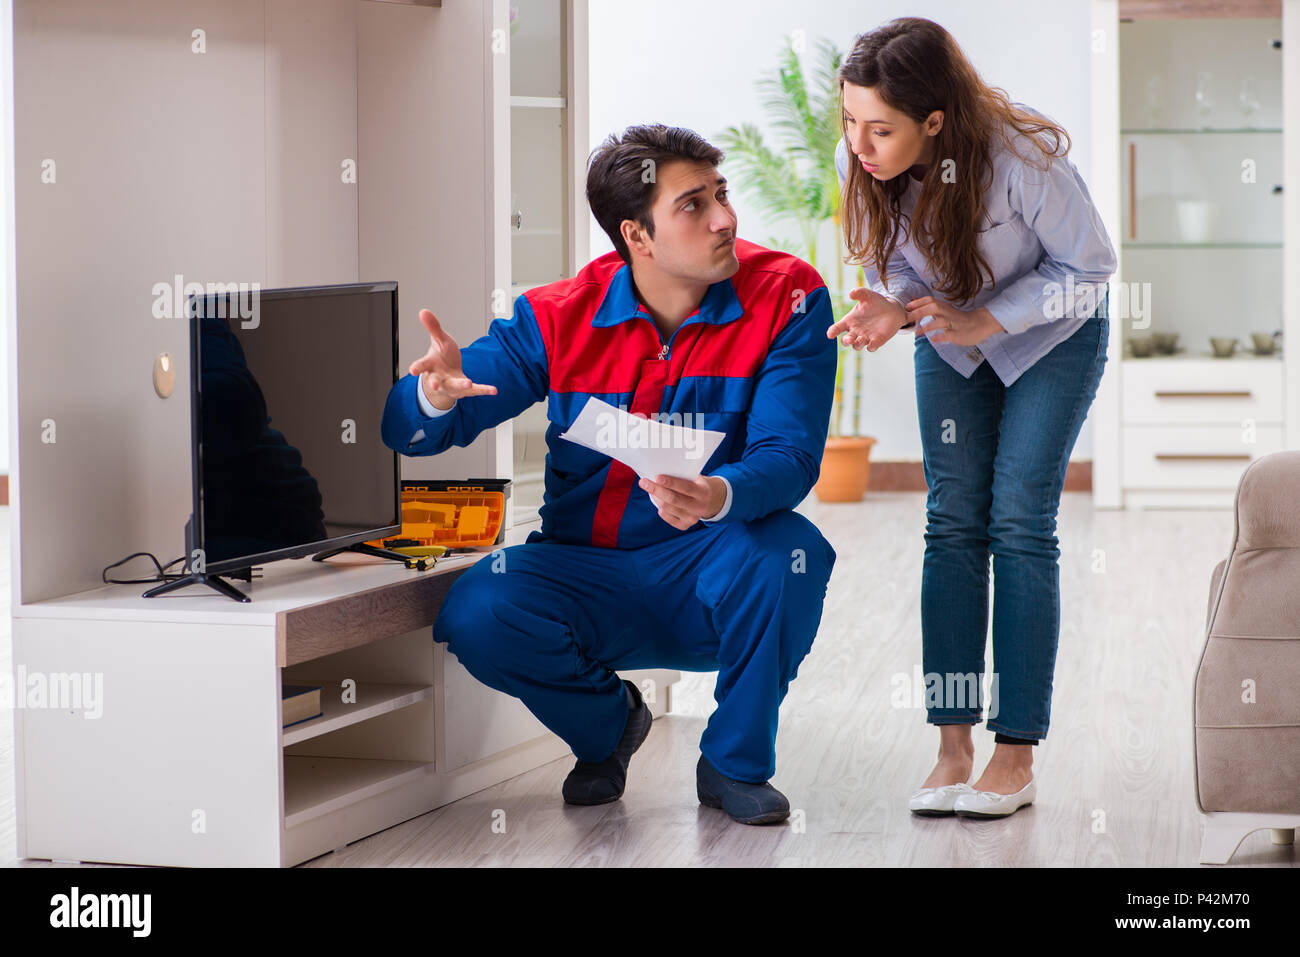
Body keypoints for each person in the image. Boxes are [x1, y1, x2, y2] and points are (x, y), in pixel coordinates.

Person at [381, 124, 838, 825]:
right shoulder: (556, 316)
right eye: (694, 204)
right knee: (477, 609)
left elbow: (791, 454)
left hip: (708, 558)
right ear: (637, 236)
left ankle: (732, 764)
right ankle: (608, 728)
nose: (725, 217)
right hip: (583, 568)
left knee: (792, 554)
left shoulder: (789, 297)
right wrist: (435, 396)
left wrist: (718, 494)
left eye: (721, 193)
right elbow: (404, 430)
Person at [828, 18, 1115, 819]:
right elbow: (892, 260)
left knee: (1019, 518)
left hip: (1052, 336)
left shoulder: (1022, 156)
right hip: (951, 342)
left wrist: (991, 321)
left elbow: (1089, 267)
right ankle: (952, 746)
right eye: (850, 122)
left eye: (879, 128)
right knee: (953, 522)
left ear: (935, 119)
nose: (861, 143)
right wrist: (888, 307)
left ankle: (1015, 752)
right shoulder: (876, 162)